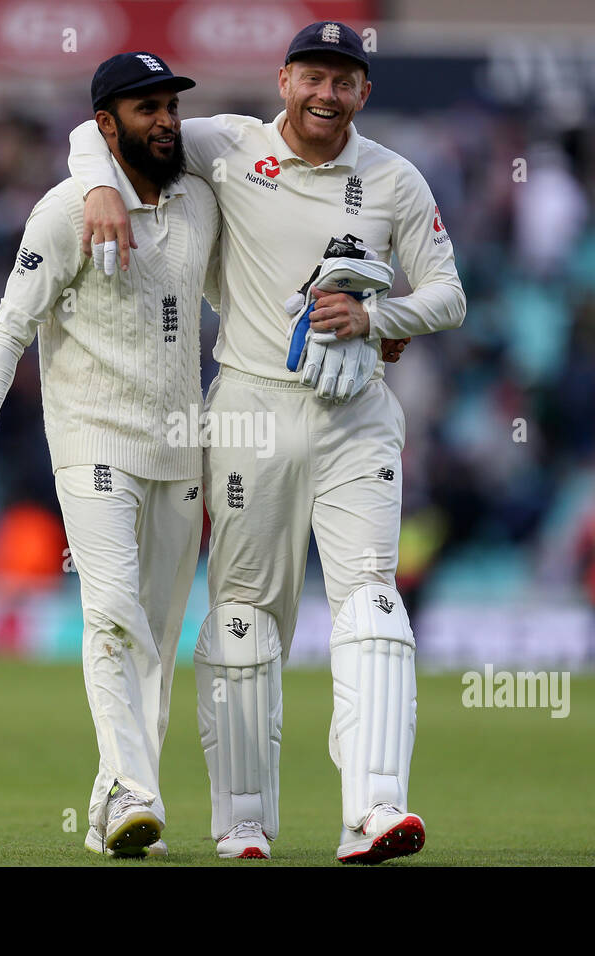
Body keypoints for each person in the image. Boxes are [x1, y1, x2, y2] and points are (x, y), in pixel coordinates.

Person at [67, 21, 466, 863]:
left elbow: (449, 296)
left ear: (364, 93)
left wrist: (374, 316)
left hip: (357, 414)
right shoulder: (226, 146)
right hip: (250, 410)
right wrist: (99, 186)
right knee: (245, 620)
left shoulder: (395, 178)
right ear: (283, 80)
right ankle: (243, 823)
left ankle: (375, 811)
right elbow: (108, 124)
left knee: (374, 604)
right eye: (312, 75)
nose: (327, 93)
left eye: (344, 80)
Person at [0, 51, 220, 858]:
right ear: (107, 126)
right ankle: (140, 791)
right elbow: (8, 329)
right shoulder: (66, 211)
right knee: (110, 614)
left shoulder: (200, 204)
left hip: (181, 449)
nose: (167, 120)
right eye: (147, 109)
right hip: (93, 440)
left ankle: (113, 806)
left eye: (171, 106)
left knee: (160, 642)